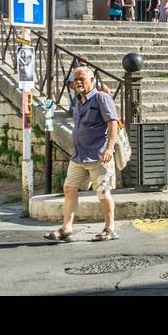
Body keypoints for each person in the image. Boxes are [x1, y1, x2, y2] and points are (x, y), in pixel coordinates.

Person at [46, 67, 119, 242]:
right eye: (76, 79)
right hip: (79, 155)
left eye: (82, 79)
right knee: (69, 188)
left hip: (98, 154)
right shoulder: (79, 102)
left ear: (92, 80)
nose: (78, 82)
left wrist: (109, 148)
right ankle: (66, 228)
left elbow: (113, 123)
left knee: (102, 192)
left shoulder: (101, 98)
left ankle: (110, 229)